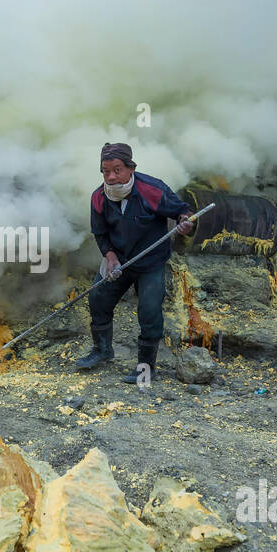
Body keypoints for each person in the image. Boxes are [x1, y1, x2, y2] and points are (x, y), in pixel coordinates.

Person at [77, 142, 194, 383]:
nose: (110, 177)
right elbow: (99, 233)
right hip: (118, 262)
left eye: (116, 170)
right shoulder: (99, 198)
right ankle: (102, 350)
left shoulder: (153, 190)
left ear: (131, 168)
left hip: (150, 263)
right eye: (105, 171)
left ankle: (146, 367)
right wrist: (110, 257)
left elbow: (183, 212)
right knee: (98, 298)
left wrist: (185, 223)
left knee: (149, 311)